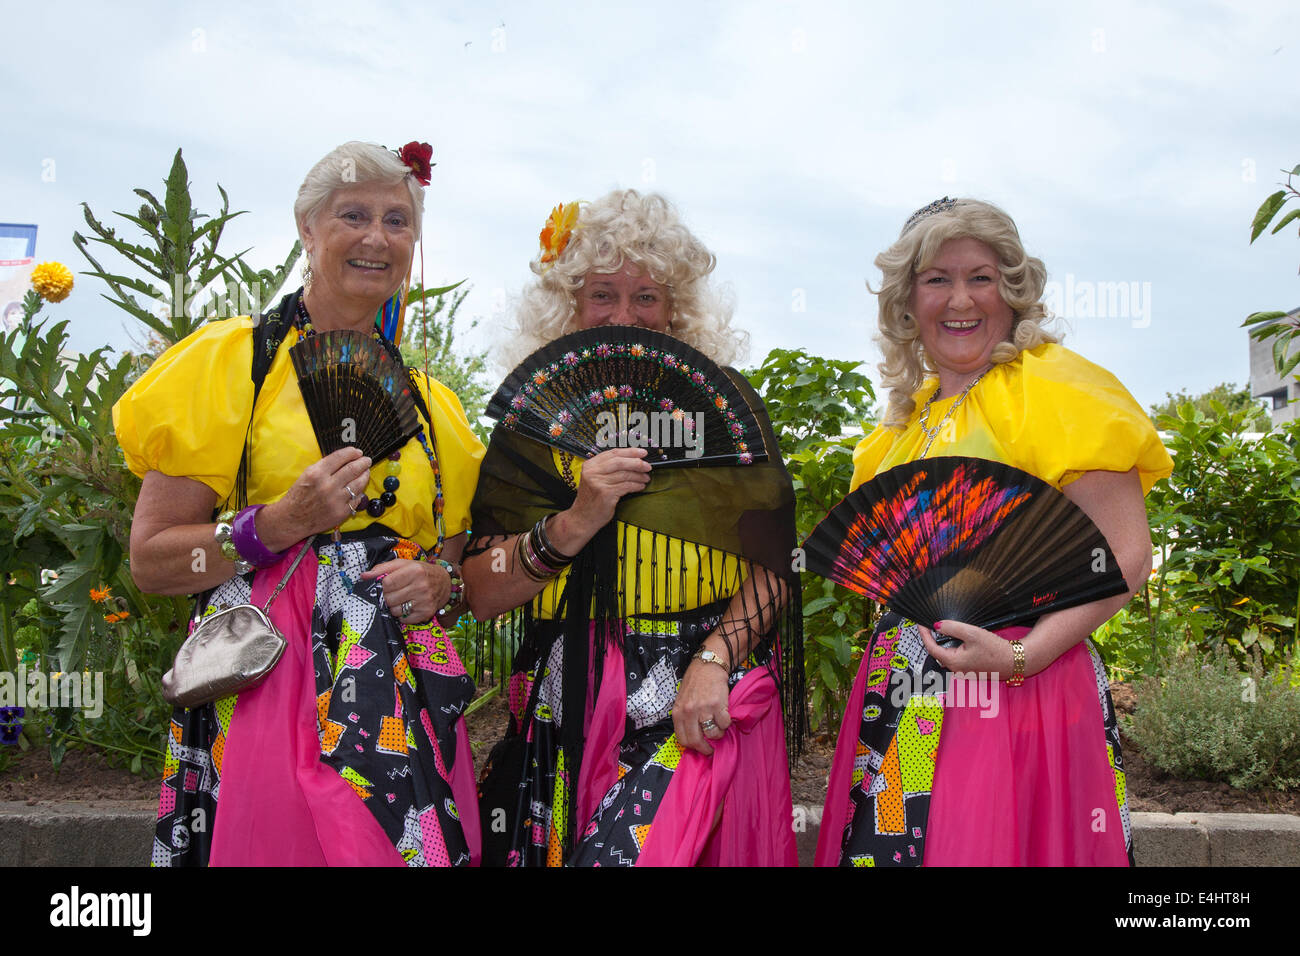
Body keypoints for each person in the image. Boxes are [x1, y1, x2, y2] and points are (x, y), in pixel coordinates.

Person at [114, 140, 485, 866]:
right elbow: (153, 563)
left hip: (405, 685)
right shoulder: (232, 366)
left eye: (398, 220)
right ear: (306, 228)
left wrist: (444, 583)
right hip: (271, 679)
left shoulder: (435, 408)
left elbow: (456, 569)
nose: (378, 237)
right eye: (354, 214)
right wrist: (274, 525)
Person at [816, 197, 1172, 867]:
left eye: (980, 277)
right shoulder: (898, 430)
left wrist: (1020, 657)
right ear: (907, 300)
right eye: (937, 279)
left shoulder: (1061, 391)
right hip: (905, 689)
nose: (961, 299)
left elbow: (1126, 554)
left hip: (1023, 684)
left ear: (1012, 291)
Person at [465, 189, 803, 866]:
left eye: (646, 296)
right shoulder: (534, 428)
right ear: (570, 304)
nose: (625, 316)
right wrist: (575, 521)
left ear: (676, 309)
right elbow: (482, 591)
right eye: (602, 295)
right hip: (569, 695)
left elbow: (775, 567)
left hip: (698, 686)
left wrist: (714, 663)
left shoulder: (724, 412)